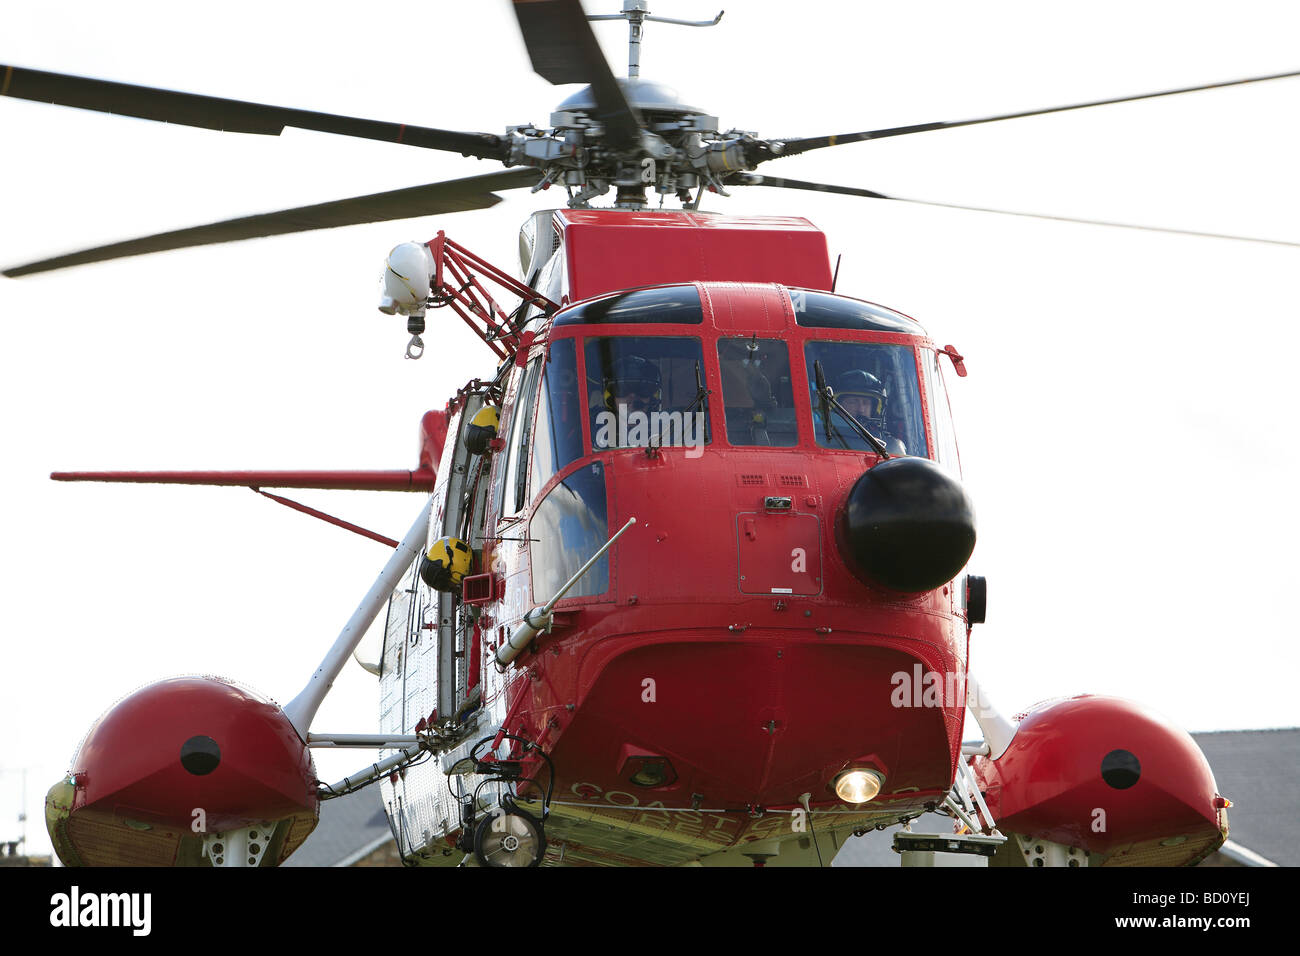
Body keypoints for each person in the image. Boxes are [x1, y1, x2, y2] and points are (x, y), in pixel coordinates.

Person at [834, 369, 907, 456]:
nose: (861, 409)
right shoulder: (823, 435)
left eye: (866, 403)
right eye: (853, 402)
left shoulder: (890, 445)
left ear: (874, 408)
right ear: (837, 405)